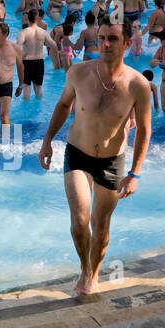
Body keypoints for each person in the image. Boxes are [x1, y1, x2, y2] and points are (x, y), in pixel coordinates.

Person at [39, 21, 152, 296]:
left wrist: (135, 173)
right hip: (77, 154)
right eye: (102, 38)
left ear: (127, 44)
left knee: (100, 225)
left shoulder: (138, 84)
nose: (105, 44)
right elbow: (64, 105)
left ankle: (96, 271)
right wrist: (47, 142)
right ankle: (85, 270)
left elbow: (145, 131)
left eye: (113, 39)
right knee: (80, 218)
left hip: (112, 162)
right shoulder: (78, 73)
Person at [18, 15, 57, 99]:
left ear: (28, 19)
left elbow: (16, 46)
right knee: (39, 90)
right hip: (39, 63)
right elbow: (54, 45)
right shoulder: (43, 32)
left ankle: (27, 111)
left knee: (26, 90)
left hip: (27, 62)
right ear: (37, 20)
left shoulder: (24, 32)